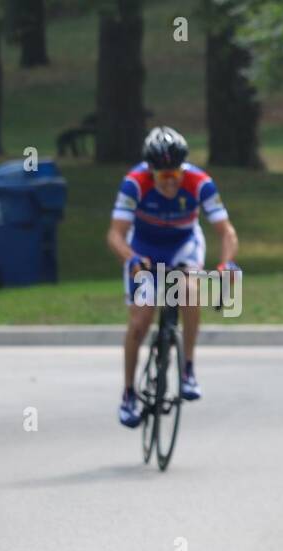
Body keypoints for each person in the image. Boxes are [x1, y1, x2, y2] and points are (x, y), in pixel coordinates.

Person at [107, 126, 239, 427]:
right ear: (150, 171)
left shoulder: (200, 183)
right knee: (139, 321)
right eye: (163, 176)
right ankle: (128, 393)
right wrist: (131, 258)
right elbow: (115, 234)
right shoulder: (134, 184)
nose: (170, 182)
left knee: (189, 290)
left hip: (183, 245)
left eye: (175, 175)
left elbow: (226, 231)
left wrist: (226, 264)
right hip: (144, 250)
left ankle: (187, 369)